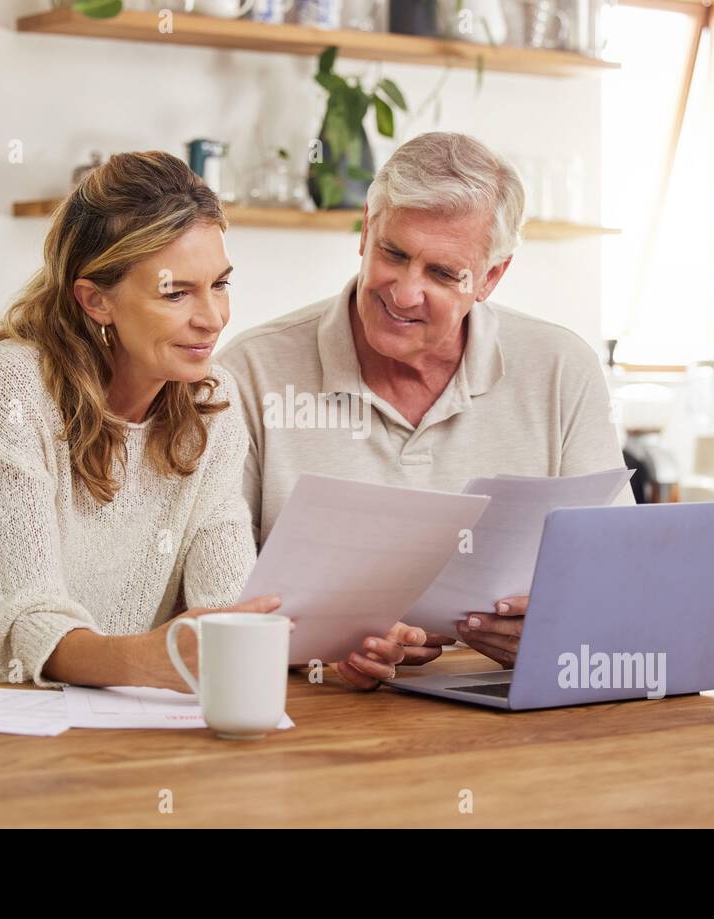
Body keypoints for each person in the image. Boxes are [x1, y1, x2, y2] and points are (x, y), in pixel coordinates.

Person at [0, 151, 417, 692]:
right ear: (95, 300)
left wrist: (323, 643)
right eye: (176, 293)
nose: (212, 318)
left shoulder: (210, 402)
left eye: (220, 284)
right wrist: (149, 659)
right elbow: (28, 619)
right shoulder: (13, 387)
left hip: (87, 723)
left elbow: (227, 600)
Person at [219, 132, 632, 687]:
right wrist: (312, 650)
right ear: (366, 231)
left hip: (506, 718)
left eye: (442, 274)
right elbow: (214, 597)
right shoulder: (250, 370)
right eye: (393, 254)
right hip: (310, 717)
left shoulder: (561, 368)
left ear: (490, 277)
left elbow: (619, 576)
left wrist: (559, 626)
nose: (405, 293)